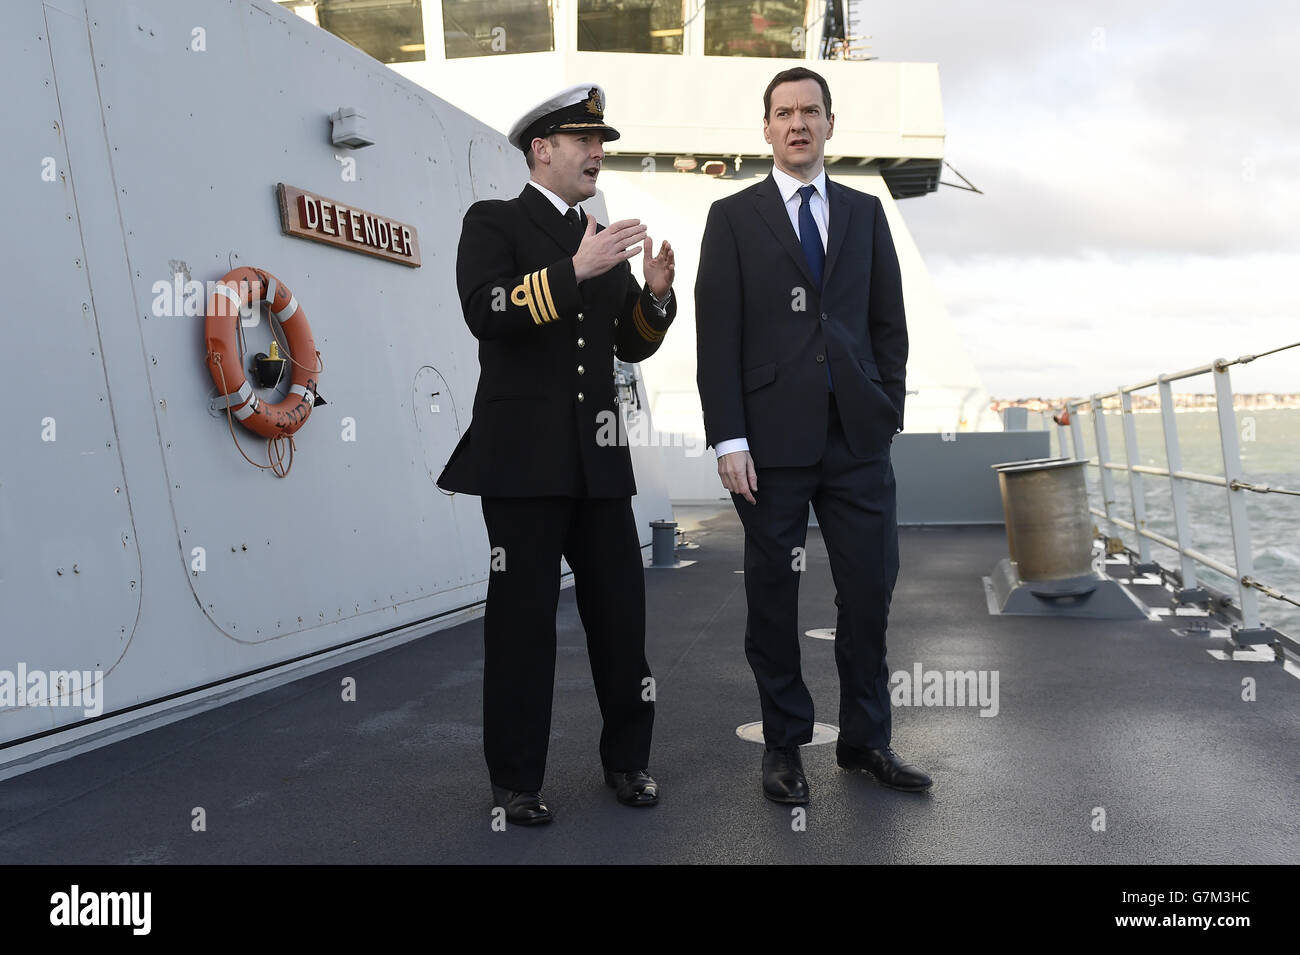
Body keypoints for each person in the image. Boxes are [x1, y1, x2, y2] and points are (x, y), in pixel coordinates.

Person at [438, 84, 676, 825]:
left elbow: (629, 343)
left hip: (599, 462)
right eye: (583, 140)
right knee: (521, 624)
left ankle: (629, 762)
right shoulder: (495, 221)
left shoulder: (600, 237)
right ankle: (516, 780)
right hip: (521, 462)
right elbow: (488, 308)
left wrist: (658, 297)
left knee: (621, 621)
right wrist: (576, 269)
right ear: (542, 149)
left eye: (600, 141)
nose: (597, 152)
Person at [695, 67, 931, 803]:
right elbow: (718, 337)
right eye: (783, 113)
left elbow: (888, 322)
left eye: (810, 112)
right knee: (774, 596)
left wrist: (887, 405)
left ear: (830, 123)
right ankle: (785, 745)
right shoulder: (732, 217)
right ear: (766, 128)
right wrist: (728, 438)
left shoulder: (865, 214)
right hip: (769, 445)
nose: (798, 124)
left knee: (869, 590)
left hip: (857, 440)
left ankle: (865, 741)